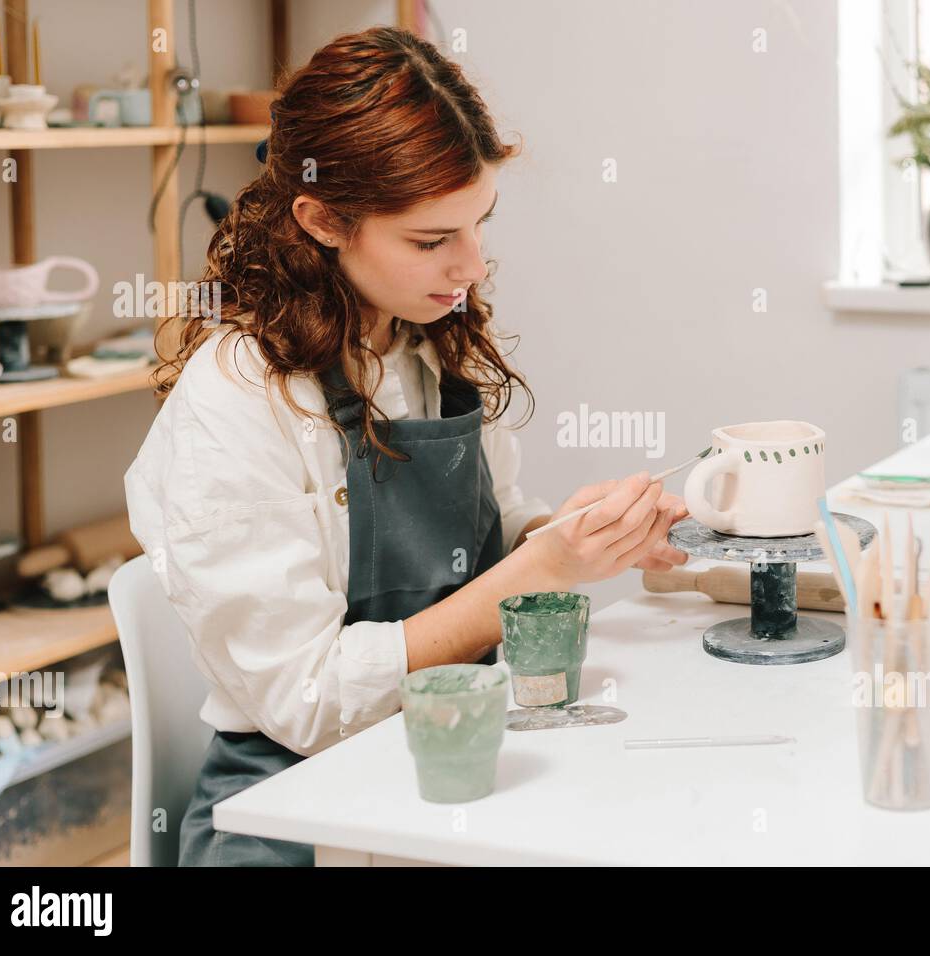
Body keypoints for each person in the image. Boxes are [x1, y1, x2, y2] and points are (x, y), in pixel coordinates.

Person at [123, 26, 688, 867]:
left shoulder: (429, 344)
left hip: (446, 761)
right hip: (296, 811)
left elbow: (489, 545)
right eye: (431, 240)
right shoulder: (239, 396)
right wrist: (533, 577)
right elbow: (308, 702)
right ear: (320, 218)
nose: (471, 265)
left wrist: (563, 543)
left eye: (478, 224)